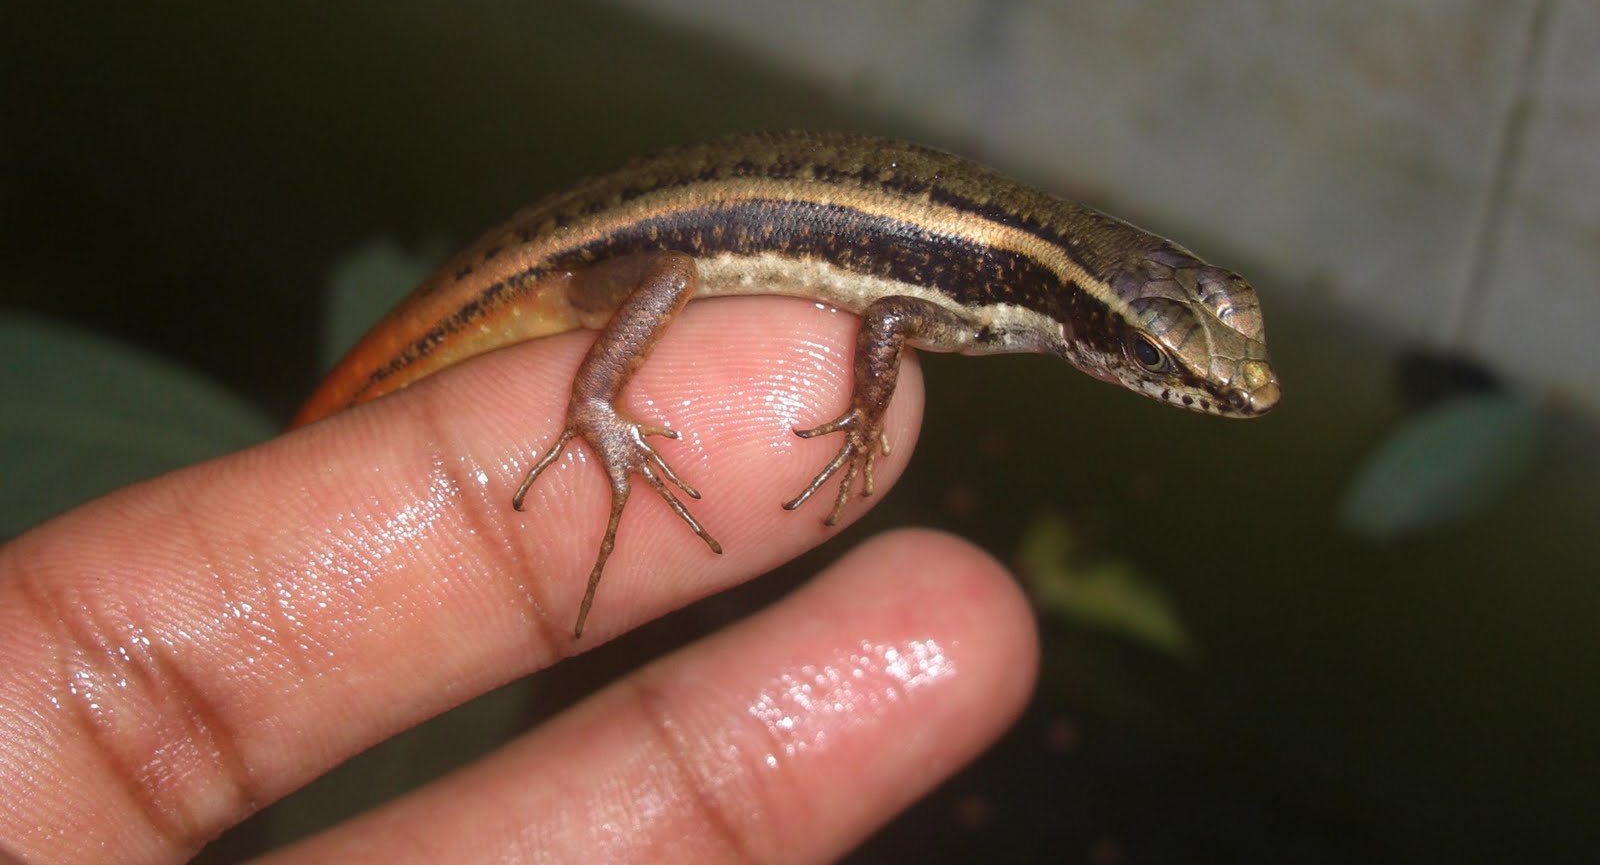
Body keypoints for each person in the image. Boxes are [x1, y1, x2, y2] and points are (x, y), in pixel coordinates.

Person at [0, 298, 1037, 862]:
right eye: (1177, 374)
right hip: (643, 255)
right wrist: (861, 411)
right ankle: (594, 402)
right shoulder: (990, 300)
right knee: (669, 278)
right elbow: (890, 317)